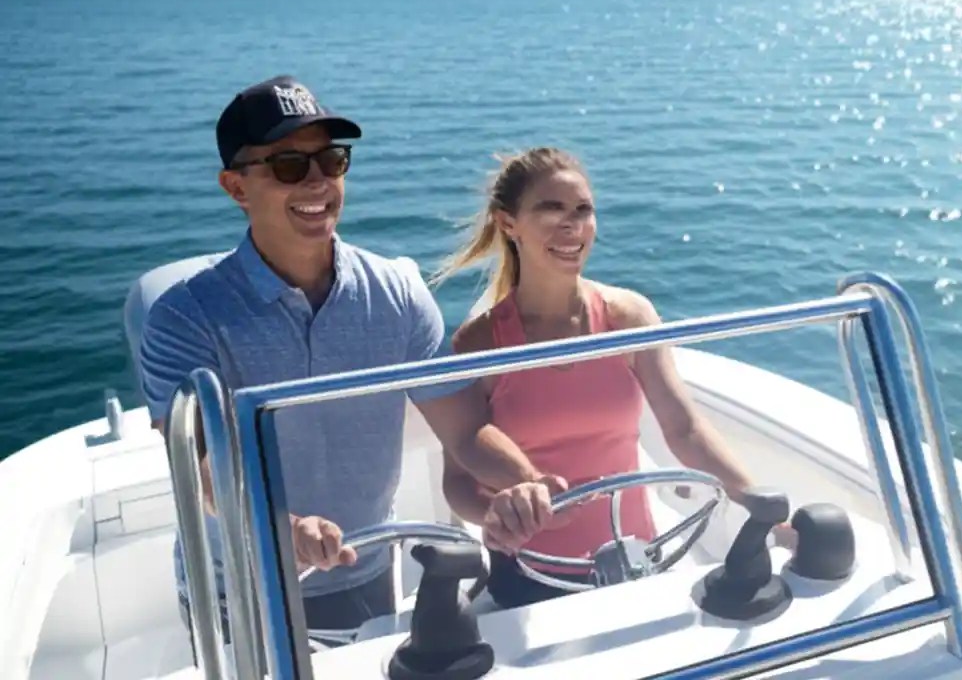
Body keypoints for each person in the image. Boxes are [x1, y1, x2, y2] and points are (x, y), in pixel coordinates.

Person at [138, 76, 554, 645]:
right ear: (236, 187)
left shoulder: (398, 292)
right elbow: (205, 470)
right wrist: (287, 532)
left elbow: (464, 428)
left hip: (363, 566)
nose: (317, 181)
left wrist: (525, 483)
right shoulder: (183, 318)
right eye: (289, 165)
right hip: (238, 582)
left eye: (331, 160)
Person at [431, 147, 767, 609]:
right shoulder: (480, 343)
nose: (572, 225)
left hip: (639, 564)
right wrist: (497, 516)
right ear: (509, 224)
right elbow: (458, 480)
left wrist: (756, 498)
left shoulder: (629, 317)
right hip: (529, 579)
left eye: (582, 210)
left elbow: (683, 429)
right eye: (551, 209)